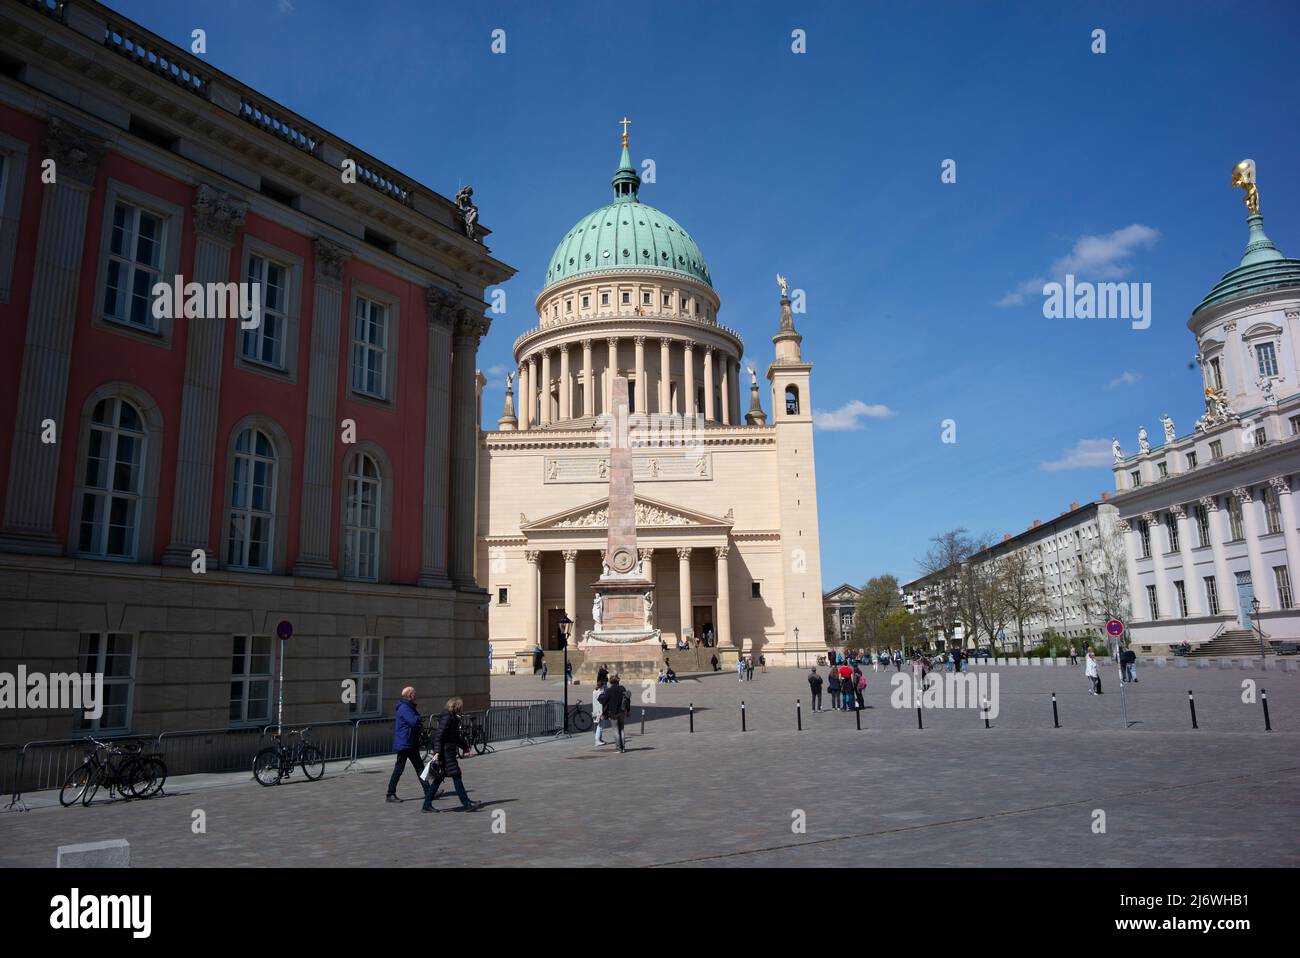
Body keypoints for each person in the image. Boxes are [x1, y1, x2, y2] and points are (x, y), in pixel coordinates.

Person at [421, 697, 482, 813]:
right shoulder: (447, 718)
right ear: (456, 707)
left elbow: (455, 737)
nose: (462, 709)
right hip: (445, 753)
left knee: (439, 779)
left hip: (447, 751)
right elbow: (439, 736)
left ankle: (426, 805)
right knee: (456, 775)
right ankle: (466, 803)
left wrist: (465, 748)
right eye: (461, 707)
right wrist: (437, 753)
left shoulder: (452, 718)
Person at [386, 686, 424, 803]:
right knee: (399, 769)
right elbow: (413, 721)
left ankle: (429, 790)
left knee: (420, 768)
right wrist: (419, 717)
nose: (416, 695)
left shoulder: (408, 706)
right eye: (414, 693)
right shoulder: (405, 708)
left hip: (410, 742)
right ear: (410, 695)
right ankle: (390, 794)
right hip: (405, 743)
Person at [598, 673, 631, 752]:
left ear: (610, 682)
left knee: (615, 730)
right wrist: (628, 710)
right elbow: (628, 700)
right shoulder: (622, 688)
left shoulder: (608, 690)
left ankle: (619, 748)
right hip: (622, 711)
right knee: (622, 729)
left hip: (613, 713)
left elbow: (603, 701)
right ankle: (623, 748)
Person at [592, 676, 608, 747]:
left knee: (599, 725)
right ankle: (597, 740)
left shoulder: (594, 691)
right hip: (600, 711)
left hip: (595, 711)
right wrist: (602, 712)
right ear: (602, 686)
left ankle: (600, 739)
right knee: (600, 726)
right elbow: (602, 703)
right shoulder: (600, 693)